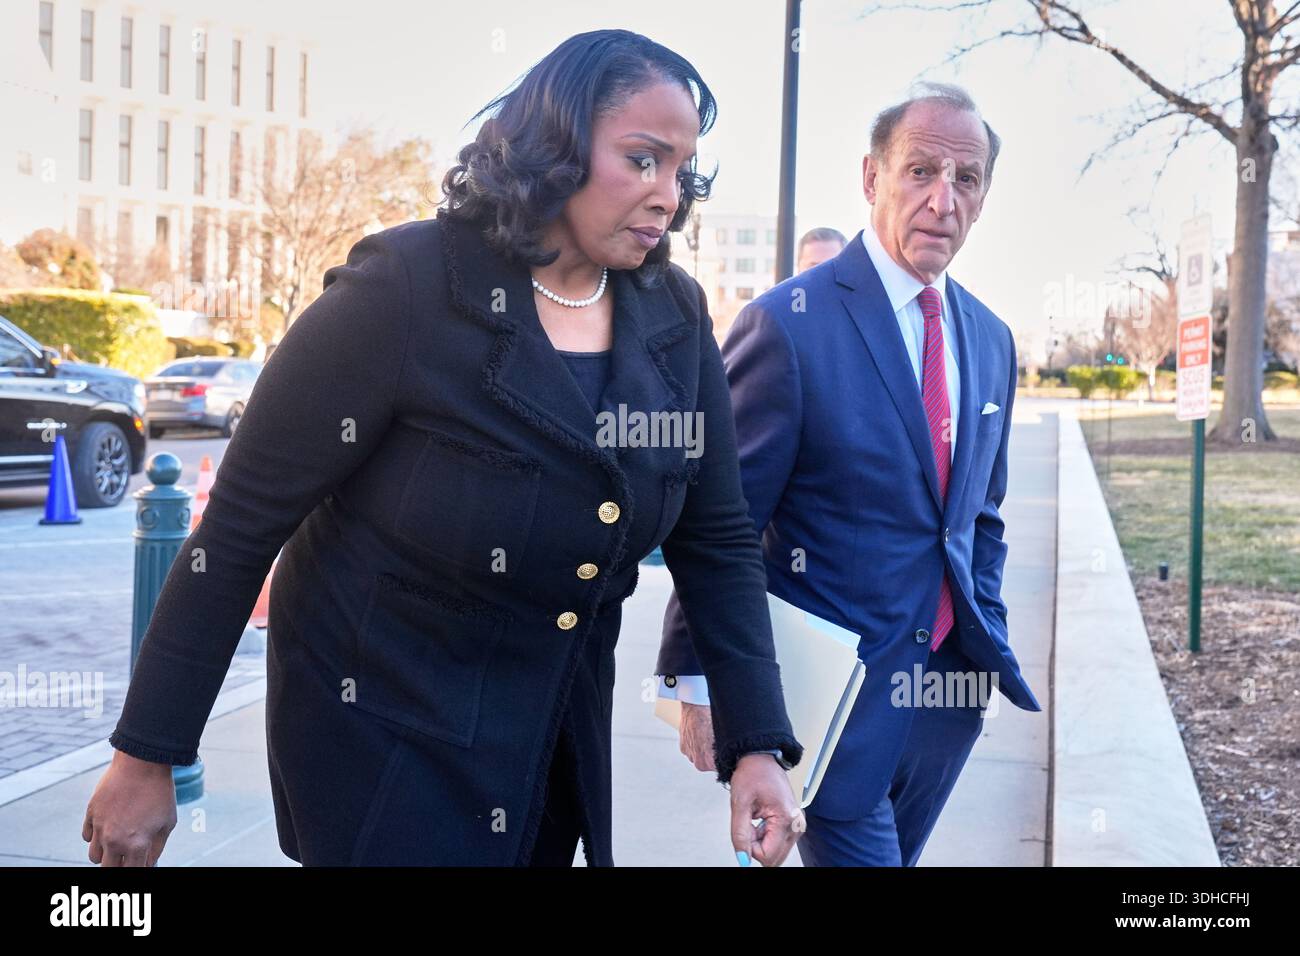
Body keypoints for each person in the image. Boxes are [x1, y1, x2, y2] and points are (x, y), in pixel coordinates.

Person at [82, 29, 803, 868]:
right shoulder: (407, 287)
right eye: (643, 159)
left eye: (682, 170)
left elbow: (715, 542)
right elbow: (240, 529)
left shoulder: (674, 315)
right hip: (381, 740)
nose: (668, 195)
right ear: (559, 146)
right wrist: (149, 753)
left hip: (550, 746)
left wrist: (755, 745)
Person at [656, 82, 1042, 865]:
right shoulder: (789, 325)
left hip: (946, 702)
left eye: (966, 179)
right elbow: (719, 523)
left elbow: (979, 517)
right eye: (920, 171)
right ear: (872, 178)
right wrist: (695, 679)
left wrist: (984, 629)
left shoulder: (992, 339)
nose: (943, 199)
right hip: (832, 702)